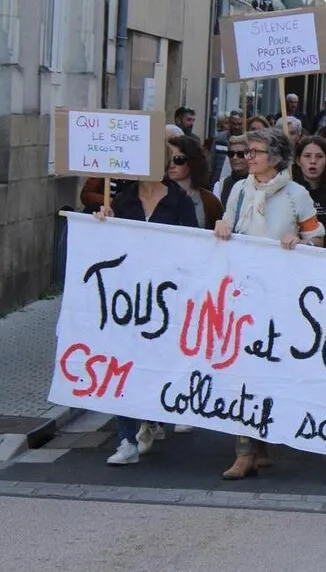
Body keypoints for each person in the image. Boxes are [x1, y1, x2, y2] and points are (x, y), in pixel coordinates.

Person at [214, 128, 325, 479]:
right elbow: (228, 225)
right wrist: (221, 227)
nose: (249, 157)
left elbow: (318, 238)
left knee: (267, 371)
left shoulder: (296, 194)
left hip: (280, 297)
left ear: (275, 157)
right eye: (248, 151)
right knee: (243, 371)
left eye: (256, 152)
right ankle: (244, 450)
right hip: (243, 293)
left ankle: (261, 441)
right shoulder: (239, 190)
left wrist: (301, 243)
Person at [95, 140, 199, 465]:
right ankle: (126, 439)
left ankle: (152, 417)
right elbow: (107, 246)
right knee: (123, 361)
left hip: (166, 297)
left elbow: (194, 245)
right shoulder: (122, 200)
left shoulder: (179, 201)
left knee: (157, 362)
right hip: (128, 295)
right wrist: (103, 221)